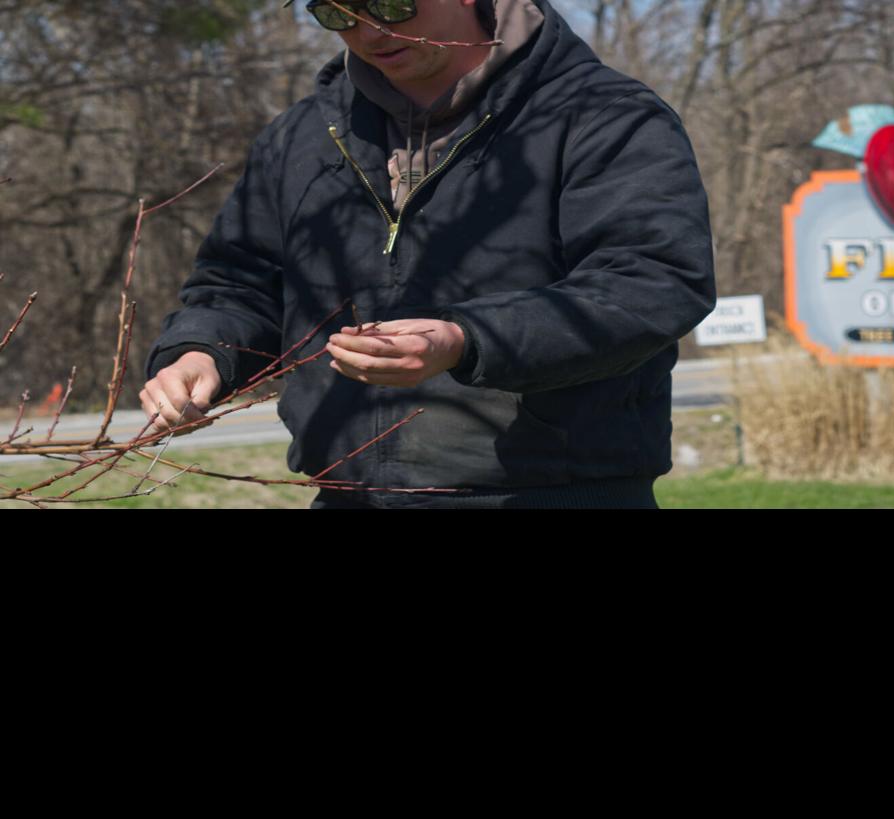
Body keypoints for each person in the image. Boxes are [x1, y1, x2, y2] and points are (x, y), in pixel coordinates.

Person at [139, 0, 716, 508]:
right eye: (337, 13)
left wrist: (467, 340)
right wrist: (202, 351)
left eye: (393, 5)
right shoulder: (299, 138)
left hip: (553, 491)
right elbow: (239, 281)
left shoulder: (603, 115)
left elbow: (652, 282)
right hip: (347, 495)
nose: (368, 30)